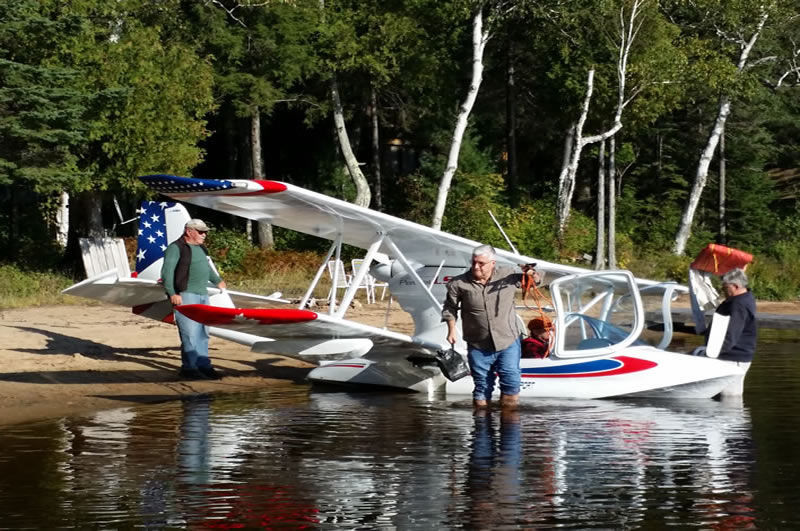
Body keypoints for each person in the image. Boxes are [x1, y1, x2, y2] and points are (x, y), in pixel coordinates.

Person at [442, 244, 539, 409]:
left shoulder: (507, 274)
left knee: (510, 379)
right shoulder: (458, 283)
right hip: (478, 342)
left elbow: (537, 280)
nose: (476, 266)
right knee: (482, 386)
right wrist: (451, 329)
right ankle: (481, 425)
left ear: (492, 263)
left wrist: (530, 273)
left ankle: (509, 421)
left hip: (507, 339)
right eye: (474, 262)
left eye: (481, 263)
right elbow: (449, 308)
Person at [161, 218, 227, 380]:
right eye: (200, 232)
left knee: (203, 332)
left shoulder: (201, 248)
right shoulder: (176, 248)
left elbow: (206, 267)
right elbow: (167, 272)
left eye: (205, 232)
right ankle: (189, 368)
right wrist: (172, 293)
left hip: (202, 294)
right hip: (186, 294)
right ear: (189, 231)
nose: (204, 235)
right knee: (190, 333)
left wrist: (217, 280)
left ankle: (204, 366)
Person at [693, 268, 757, 395]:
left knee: (729, 397)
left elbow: (731, 334)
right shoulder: (745, 298)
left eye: (725, 287)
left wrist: (711, 354)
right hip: (735, 355)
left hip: (733, 357)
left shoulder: (738, 304)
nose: (723, 290)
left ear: (735, 286)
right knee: (725, 396)